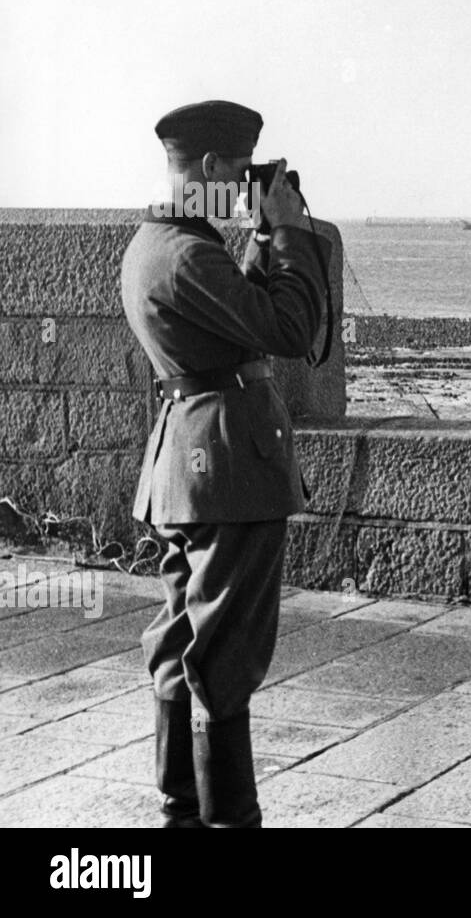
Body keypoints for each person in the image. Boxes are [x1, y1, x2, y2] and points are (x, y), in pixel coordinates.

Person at [120, 100, 330, 826]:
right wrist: (295, 238)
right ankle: (227, 821)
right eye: (239, 171)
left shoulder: (160, 244)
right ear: (209, 167)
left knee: (182, 640)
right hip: (232, 473)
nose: (246, 185)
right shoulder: (186, 253)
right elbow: (290, 329)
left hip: (188, 466)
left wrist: (259, 241)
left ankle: (182, 810)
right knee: (226, 656)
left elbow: (228, 314)